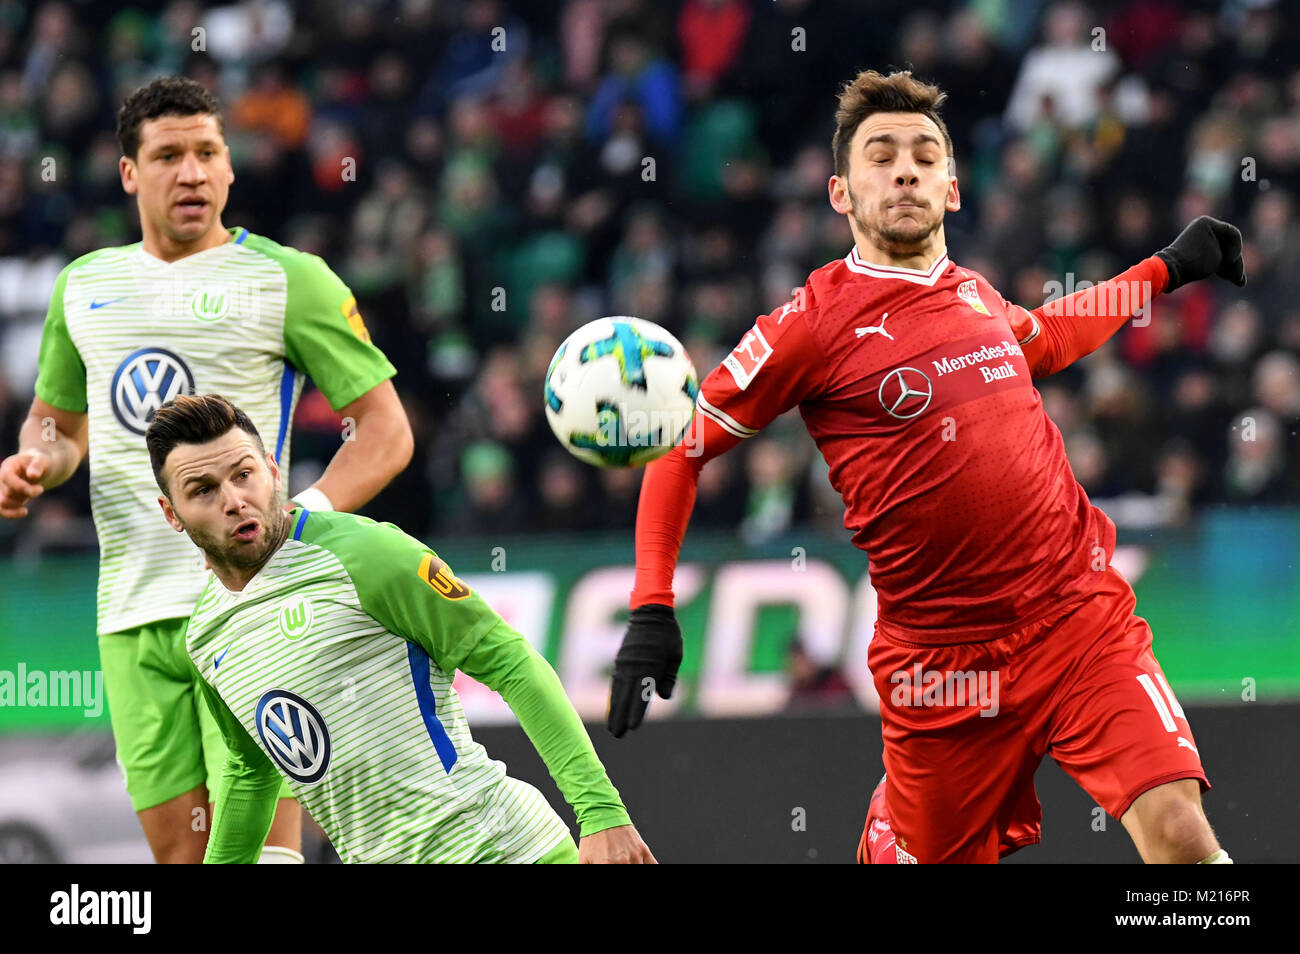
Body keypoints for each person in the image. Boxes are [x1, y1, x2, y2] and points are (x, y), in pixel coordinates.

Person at [607, 69, 1245, 864]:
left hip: (1078, 620)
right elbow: (683, 448)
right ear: (841, 193)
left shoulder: (975, 295)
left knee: (1180, 831)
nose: (904, 168)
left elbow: (1046, 337)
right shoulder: (809, 324)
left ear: (952, 189)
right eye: (881, 155)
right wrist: (651, 606)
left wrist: (1168, 269)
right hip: (941, 672)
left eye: (923, 154)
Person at [0, 77, 415, 863]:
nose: (191, 173)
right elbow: (57, 425)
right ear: (129, 173)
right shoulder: (83, 287)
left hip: (252, 608)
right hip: (131, 618)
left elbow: (387, 433)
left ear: (229, 169)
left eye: (207, 153)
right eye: (167, 156)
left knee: (262, 854)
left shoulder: (291, 280)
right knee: (183, 860)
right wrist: (36, 460)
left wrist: (295, 529)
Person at [146, 393, 653, 863]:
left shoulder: (366, 555)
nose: (233, 500)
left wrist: (600, 811)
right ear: (173, 514)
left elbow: (509, 661)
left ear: (273, 472)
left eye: (244, 475)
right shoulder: (206, 634)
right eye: (204, 490)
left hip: (501, 848)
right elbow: (249, 771)